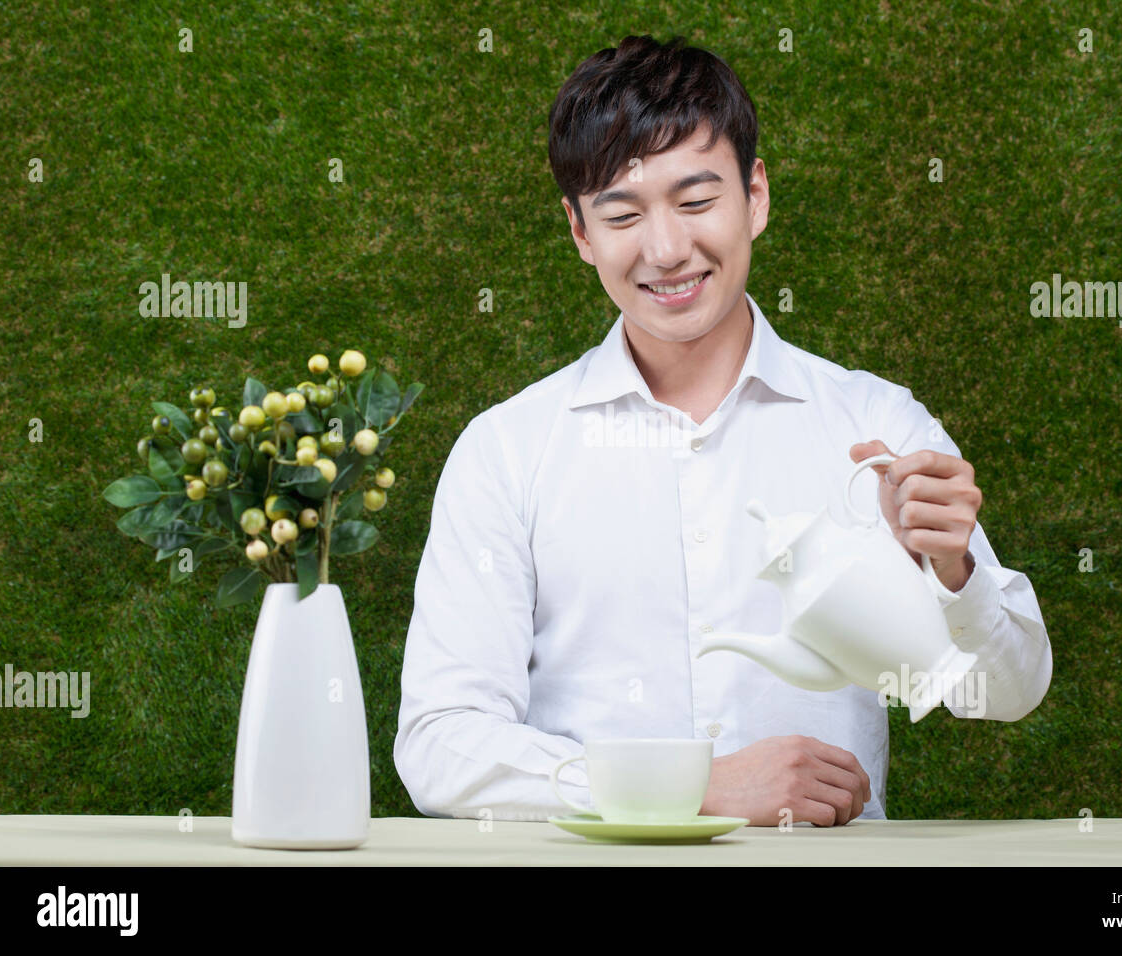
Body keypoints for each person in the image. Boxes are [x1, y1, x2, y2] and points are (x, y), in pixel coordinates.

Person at [393, 34, 1051, 826]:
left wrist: (953, 574)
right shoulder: (508, 450)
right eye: (623, 214)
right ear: (579, 232)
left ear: (756, 196)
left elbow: (1009, 694)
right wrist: (683, 792)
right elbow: (440, 745)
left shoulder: (875, 424)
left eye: (697, 202)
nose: (667, 249)